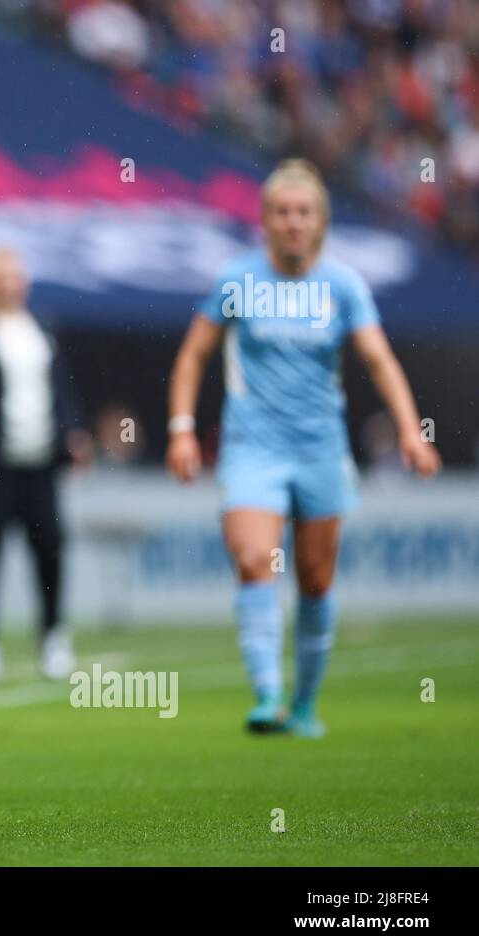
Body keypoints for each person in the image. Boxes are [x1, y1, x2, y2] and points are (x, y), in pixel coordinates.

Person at [166, 159, 440, 738]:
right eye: (282, 213)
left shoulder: (342, 286)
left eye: (303, 213)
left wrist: (413, 432)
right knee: (253, 559)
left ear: (321, 222)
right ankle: (267, 694)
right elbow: (193, 356)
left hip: (320, 450)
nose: (292, 223)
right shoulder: (237, 282)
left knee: (315, 579)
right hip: (251, 450)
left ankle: (306, 704)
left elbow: (378, 360)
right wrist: (182, 428)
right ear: (264, 221)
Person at [0, 246, 90, 683]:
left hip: (41, 459)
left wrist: (73, 433)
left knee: (50, 549)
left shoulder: (42, 326)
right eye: (1, 274)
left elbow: (61, 388)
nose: (10, 282)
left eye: (16, 273)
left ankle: (53, 636)